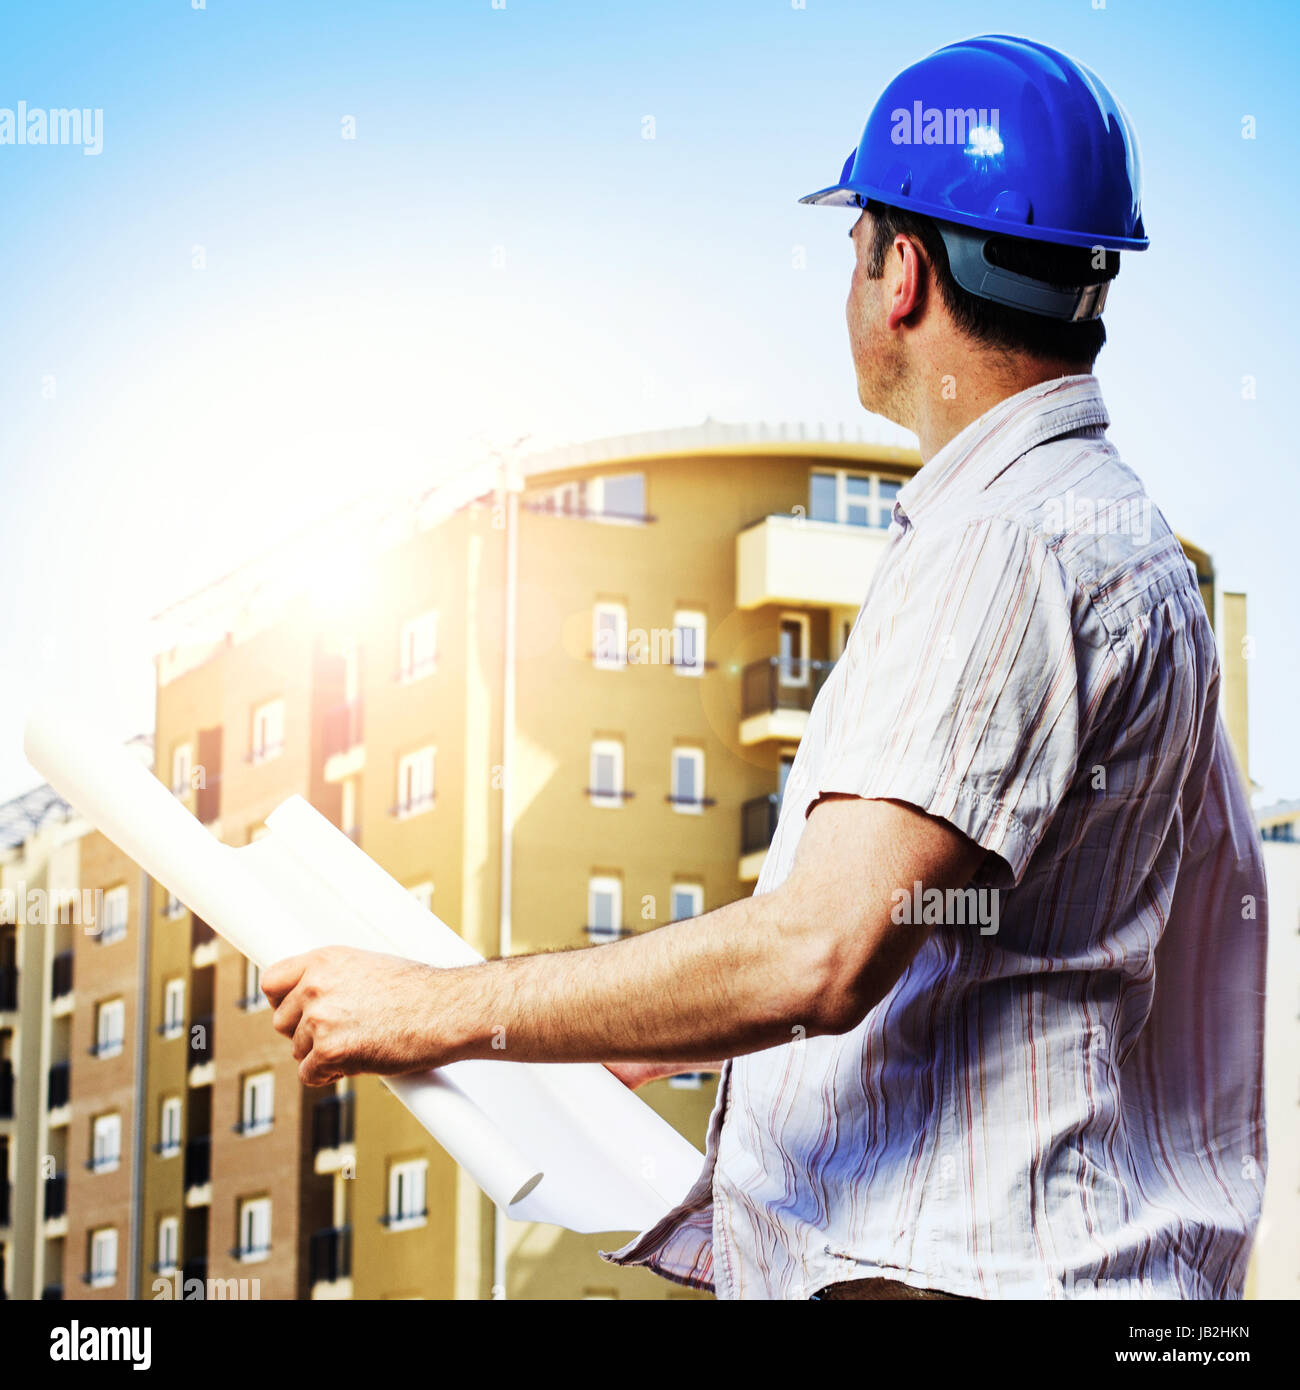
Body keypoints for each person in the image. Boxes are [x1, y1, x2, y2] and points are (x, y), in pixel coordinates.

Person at [263, 35, 1266, 1300]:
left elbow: (816, 954)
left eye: (854, 249)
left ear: (899, 270)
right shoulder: (1122, 547)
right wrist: (658, 1039)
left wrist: (432, 1006)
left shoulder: (1001, 548)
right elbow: (992, 949)